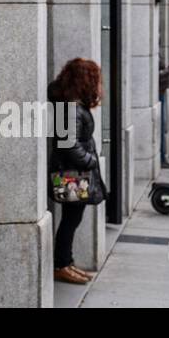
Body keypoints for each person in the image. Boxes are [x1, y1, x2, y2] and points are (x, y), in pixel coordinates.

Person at [47, 58, 105, 286]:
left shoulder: (72, 105)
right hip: (72, 173)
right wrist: (91, 160)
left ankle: (66, 263)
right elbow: (68, 144)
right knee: (71, 220)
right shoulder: (72, 109)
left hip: (72, 171)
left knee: (72, 219)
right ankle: (61, 265)